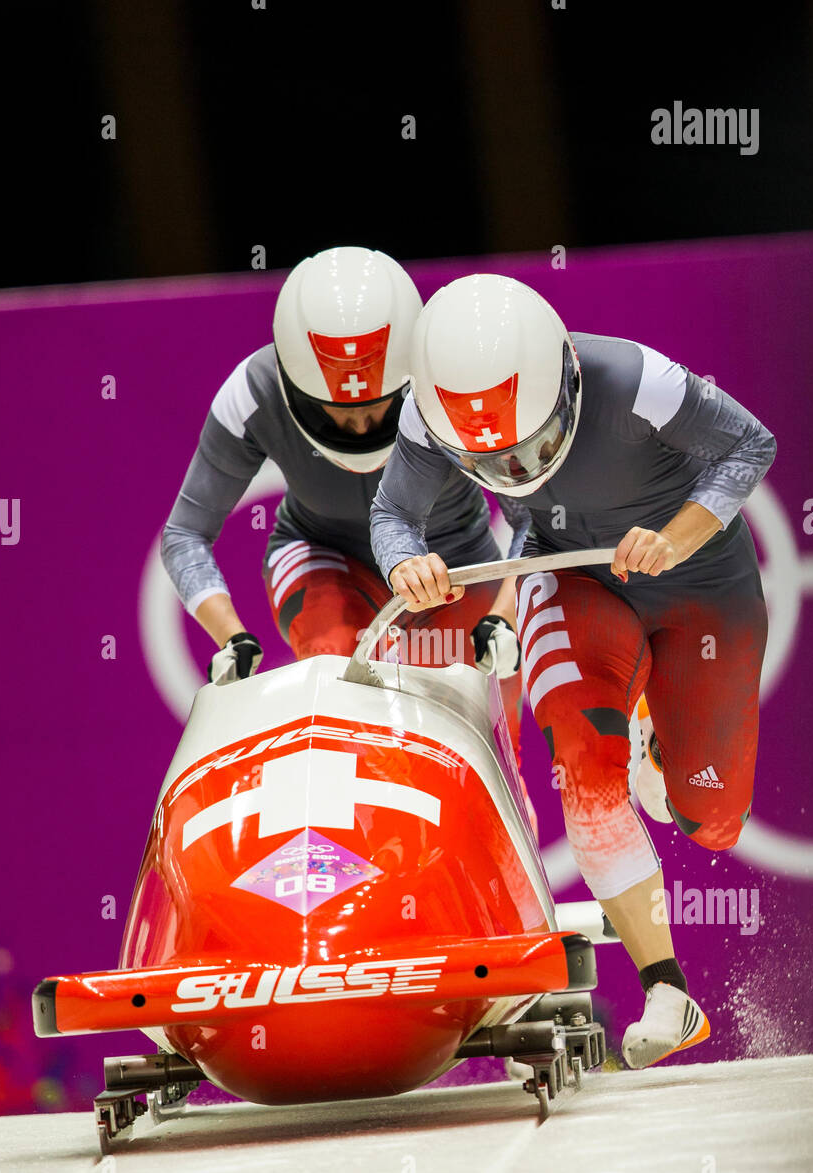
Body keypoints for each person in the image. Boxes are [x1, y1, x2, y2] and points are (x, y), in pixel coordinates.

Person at [370, 272, 775, 1069]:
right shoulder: (424, 413)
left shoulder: (635, 379)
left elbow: (749, 443)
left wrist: (678, 536)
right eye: (492, 458)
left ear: (564, 384)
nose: (519, 467)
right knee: (585, 767)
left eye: (533, 443)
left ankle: (657, 737)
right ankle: (668, 988)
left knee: (713, 821)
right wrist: (404, 563)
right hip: (570, 573)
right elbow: (392, 515)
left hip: (698, 584)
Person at [160, 247, 528, 770]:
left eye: (379, 405)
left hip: (456, 567)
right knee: (342, 673)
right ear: (293, 383)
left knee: (487, 752)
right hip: (322, 555)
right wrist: (231, 635)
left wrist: (504, 617)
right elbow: (184, 533)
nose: (360, 427)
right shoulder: (251, 393)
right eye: (338, 411)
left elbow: (532, 518)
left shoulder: (455, 381)